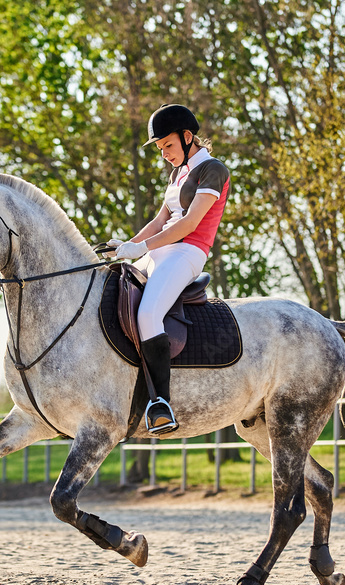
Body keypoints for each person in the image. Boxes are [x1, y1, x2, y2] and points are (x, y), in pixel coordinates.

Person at [110, 104, 231, 435]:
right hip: (162, 249)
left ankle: (160, 403)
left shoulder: (212, 170)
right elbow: (161, 220)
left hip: (187, 252)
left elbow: (190, 223)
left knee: (148, 314)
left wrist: (142, 248)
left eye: (168, 145)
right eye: (160, 148)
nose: (164, 153)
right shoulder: (178, 173)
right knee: (114, 291)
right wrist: (124, 246)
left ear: (187, 137)